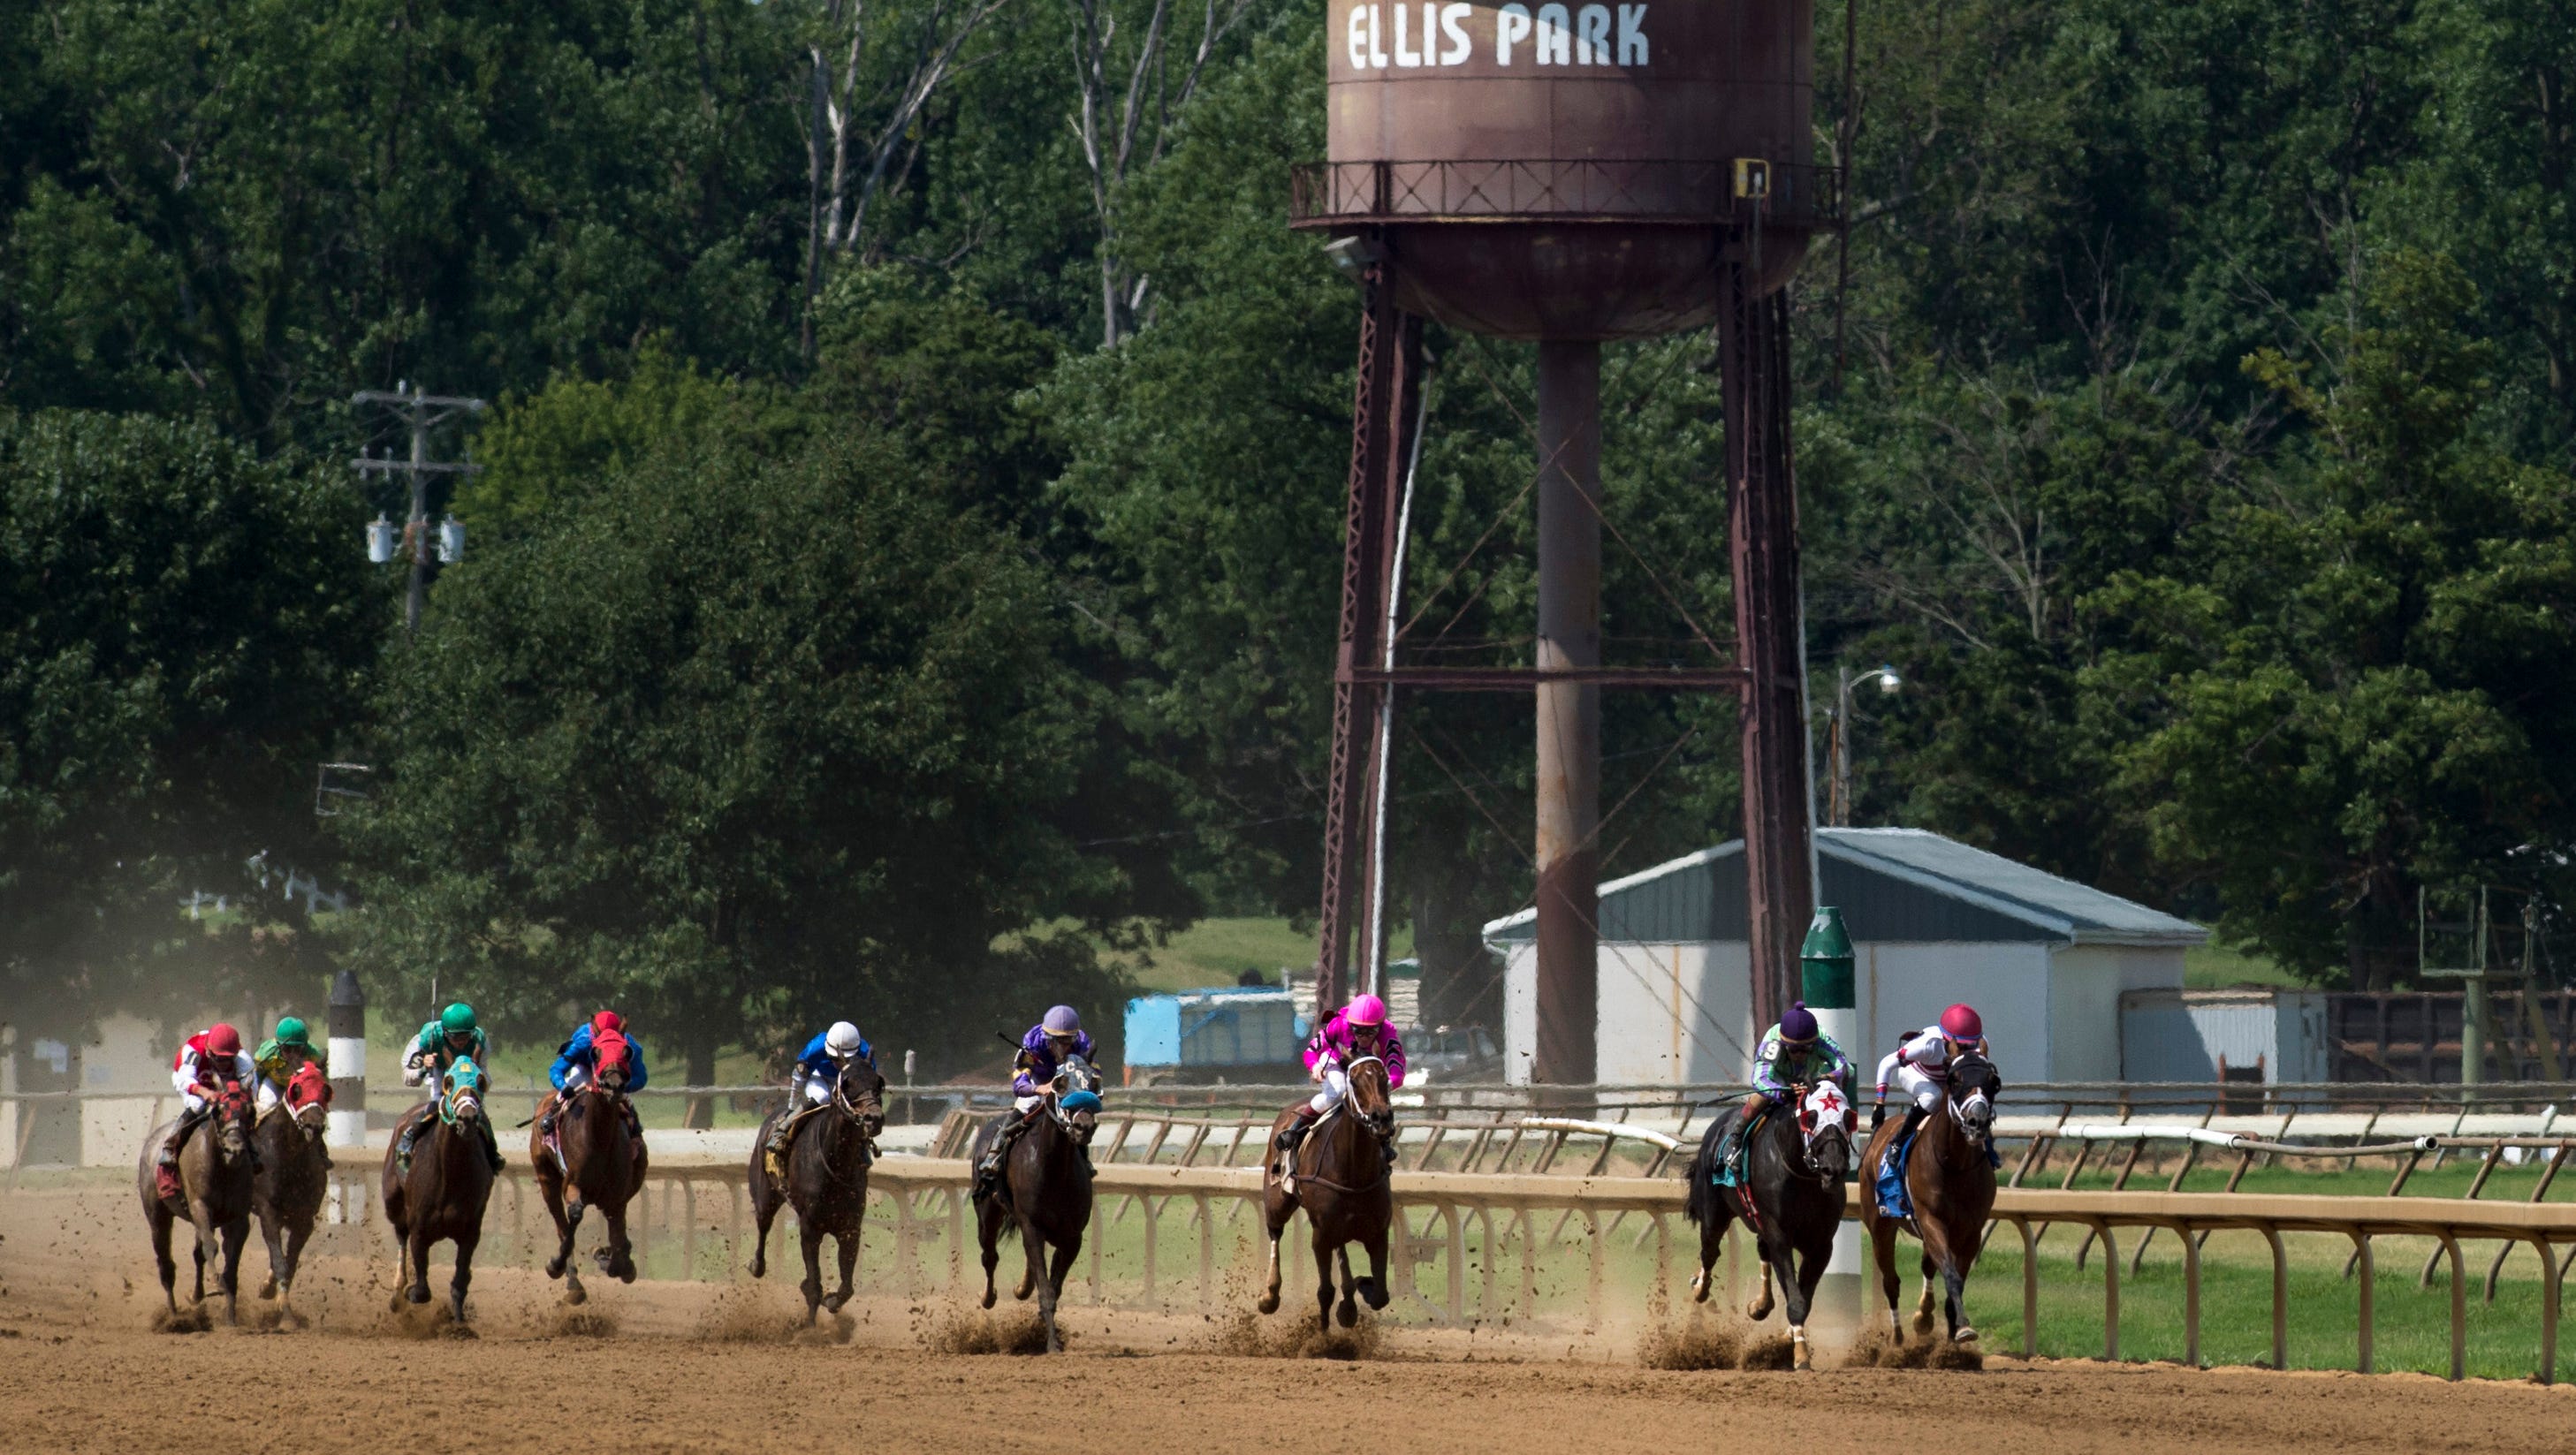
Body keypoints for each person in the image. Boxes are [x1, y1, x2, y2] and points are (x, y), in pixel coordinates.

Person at [1715, 1001, 1854, 1178]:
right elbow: (1760, 1079)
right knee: (1761, 1097)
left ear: (1814, 1042)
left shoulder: (1822, 1039)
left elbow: (1846, 1068)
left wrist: (1828, 1077)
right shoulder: (1773, 1043)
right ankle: (1735, 1138)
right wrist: (1782, 1092)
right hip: (1779, 1079)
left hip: (1811, 1079)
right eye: (1794, 1050)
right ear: (1783, 1043)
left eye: (1806, 1049)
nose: (1800, 1055)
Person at [970, 1005, 1093, 1202]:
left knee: (1077, 1119)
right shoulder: (1033, 1042)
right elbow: (1019, 1085)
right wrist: (1040, 1089)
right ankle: (994, 1154)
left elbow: (1093, 1074)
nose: (1065, 1047)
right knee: (1022, 1109)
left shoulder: (1083, 1043)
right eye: (1059, 1042)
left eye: (1068, 1041)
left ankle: (1084, 1162)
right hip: (1038, 1083)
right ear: (1048, 1039)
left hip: (1068, 1086)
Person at [1272, 993, 1406, 1164]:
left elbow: (1397, 1070)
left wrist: (1384, 1086)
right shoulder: (1338, 1024)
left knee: (1378, 1101)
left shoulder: (1389, 1033)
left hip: (1367, 1071)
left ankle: (1384, 1143)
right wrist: (1315, 1067)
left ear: (1380, 1026)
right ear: (1350, 1024)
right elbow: (1311, 1051)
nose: (1364, 1036)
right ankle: (1295, 1129)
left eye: (1371, 1030)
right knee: (1337, 1093)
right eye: (1358, 1030)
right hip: (1337, 1064)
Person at [396, 1001, 503, 1173]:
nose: (461, 1042)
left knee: (477, 1111)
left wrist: (479, 1088)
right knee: (436, 1104)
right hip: (440, 1071)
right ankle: (407, 1140)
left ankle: (493, 1152)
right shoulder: (426, 1039)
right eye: (455, 1038)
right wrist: (424, 1066)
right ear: (445, 1033)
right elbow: (408, 1078)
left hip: (468, 1075)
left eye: (465, 1037)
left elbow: (483, 1073)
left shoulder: (480, 1040)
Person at [157, 1023, 256, 1197]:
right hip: (193, 1082)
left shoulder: (243, 1059)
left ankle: (253, 1153)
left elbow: (252, 1091)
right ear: (209, 1052)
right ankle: (169, 1152)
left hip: (223, 1087)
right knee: (198, 1105)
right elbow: (184, 1081)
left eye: (229, 1059)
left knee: (240, 1109)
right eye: (219, 1059)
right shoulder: (194, 1052)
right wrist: (204, 1092)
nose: (224, 1064)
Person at [1872, 1003, 1990, 1147]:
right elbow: (1886, 1063)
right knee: (1932, 1098)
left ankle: (1988, 1149)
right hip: (1916, 1073)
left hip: (1946, 1078)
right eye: (1960, 1045)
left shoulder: (1979, 1044)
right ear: (1945, 1039)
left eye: (1970, 1046)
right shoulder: (1928, 1045)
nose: (1966, 1050)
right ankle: (1899, 1142)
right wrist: (1880, 1104)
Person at [765, 1020, 873, 1158]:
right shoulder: (814, 1049)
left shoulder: (865, 1053)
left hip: (849, 1080)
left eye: (845, 1060)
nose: (838, 1063)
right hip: (820, 1077)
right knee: (822, 1097)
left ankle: (863, 1144)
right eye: (834, 1058)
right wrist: (791, 1108)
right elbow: (799, 1078)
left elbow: (868, 1086)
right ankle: (784, 1128)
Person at [541, 1010, 647, 1143]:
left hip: (613, 1072)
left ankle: (635, 1131)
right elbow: (556, 1069)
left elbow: (641, 1078)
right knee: (575, 1082)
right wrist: (563, 1086)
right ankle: (551, 1116)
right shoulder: (584, 1041)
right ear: (595, 1033)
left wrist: (624, 1086)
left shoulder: (630, 1045)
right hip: (585, 1067)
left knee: (623, 1095)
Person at [252, 1016, 331, 1167]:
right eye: (287, 1049)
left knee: (310, 1114)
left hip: (299, 1086)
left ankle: (321, 1150)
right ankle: (254, 1146)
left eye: (298, 1049)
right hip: (274, 1083)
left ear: (305, 1046)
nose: (293, 1054)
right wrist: (254, 1097)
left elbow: (320, 1082)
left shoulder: (314, 1056)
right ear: (278, 1045)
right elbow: (257, 1076)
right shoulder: (266, 1054)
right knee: (267, 1105)